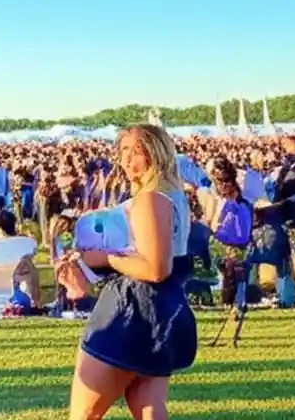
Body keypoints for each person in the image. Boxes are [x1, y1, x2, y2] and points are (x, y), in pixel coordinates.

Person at [57, 124, 197, 420]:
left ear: (155, 154)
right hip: (163, 309)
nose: (125, 160)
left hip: (132, 311)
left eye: (134, 151)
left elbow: (155, 268)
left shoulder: (152, 199)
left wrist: (104, 257)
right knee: (147, 407)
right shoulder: (174, 196)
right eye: (122, 151)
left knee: (84, 414)